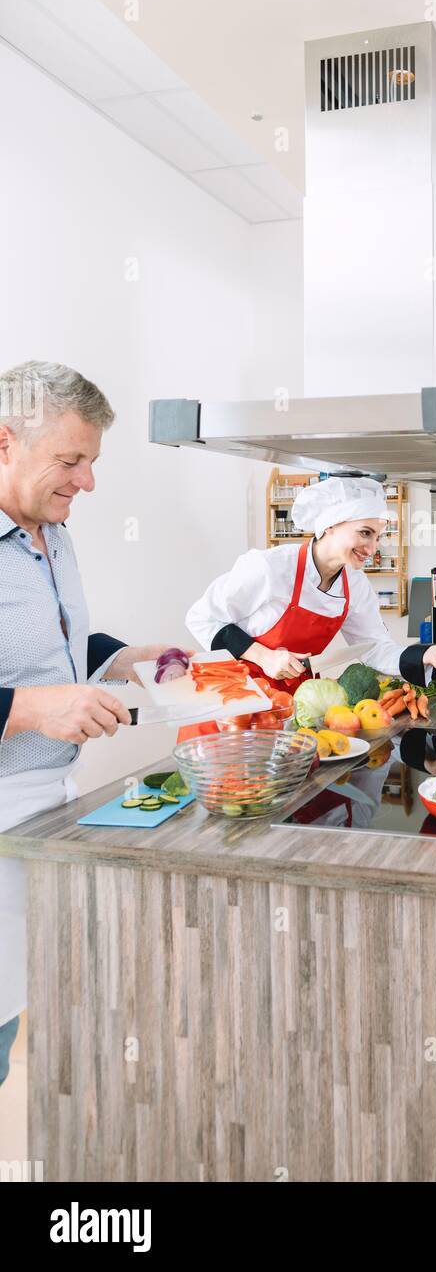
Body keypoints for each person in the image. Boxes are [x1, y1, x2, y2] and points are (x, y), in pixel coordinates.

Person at [0, 361, 178, 1085]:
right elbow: (31, 688)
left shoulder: (50, 530)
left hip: (41, 811)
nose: (87, 482)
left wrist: (125, 657)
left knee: (8, 1020)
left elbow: (54, 644)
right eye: (70, 460)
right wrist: (30, 708)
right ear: (3, 442)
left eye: (91, 462)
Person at [185, 476, 436, 736]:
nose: (372, 547)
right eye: (365, 533)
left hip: (287, 706)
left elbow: (376, 648)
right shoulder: (271, 567)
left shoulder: (355, 585)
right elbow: (202, 618)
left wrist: (428, 654)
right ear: (330, 524)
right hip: (230, 704)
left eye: (378, 536)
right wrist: (265, 657)